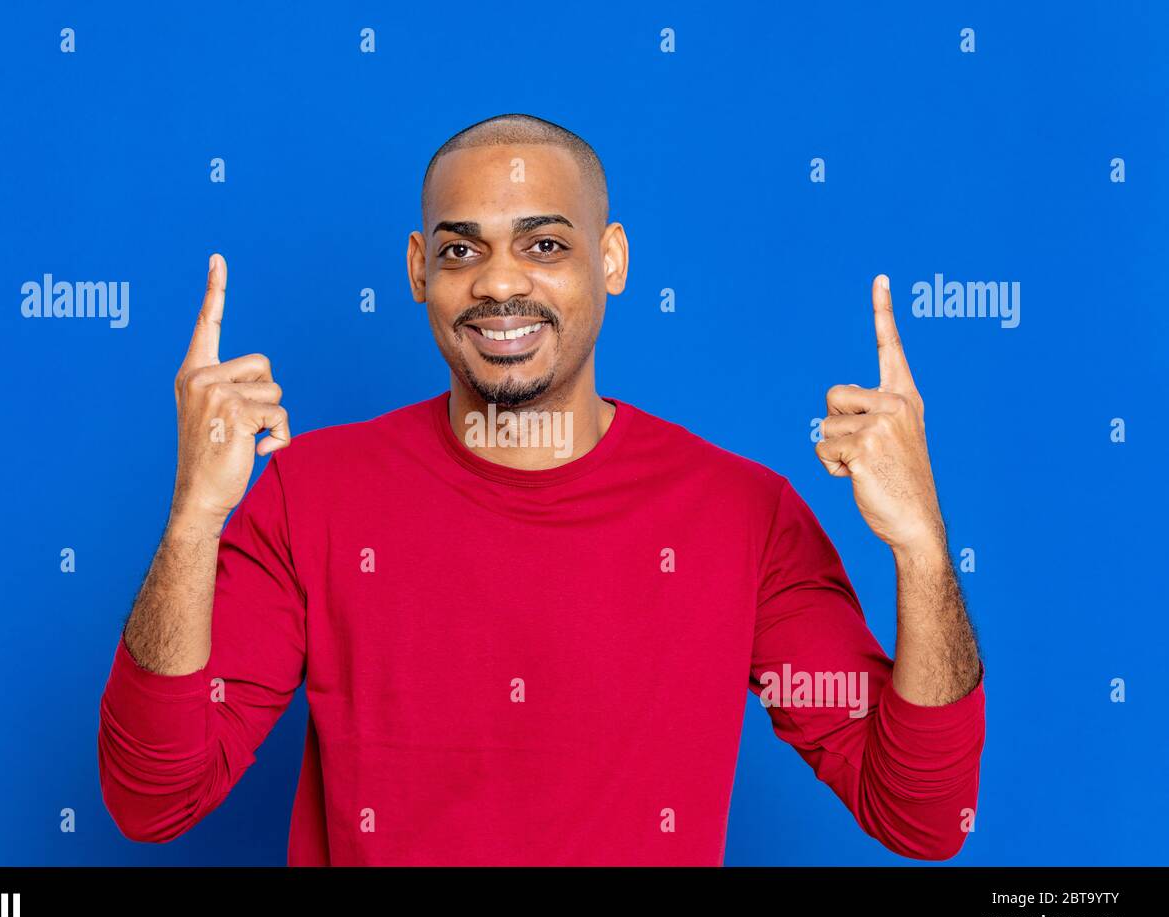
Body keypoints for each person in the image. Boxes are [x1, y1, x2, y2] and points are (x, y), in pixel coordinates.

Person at [97, 113, 985, 865]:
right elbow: (154, 797)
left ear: (613, 259)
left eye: (545, 243)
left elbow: (921, 814)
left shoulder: (742, 515)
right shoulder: (309, 494)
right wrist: (192, 523)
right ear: (417, 270)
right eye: (461, 249)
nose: (500, 282)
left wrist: (922, 549)